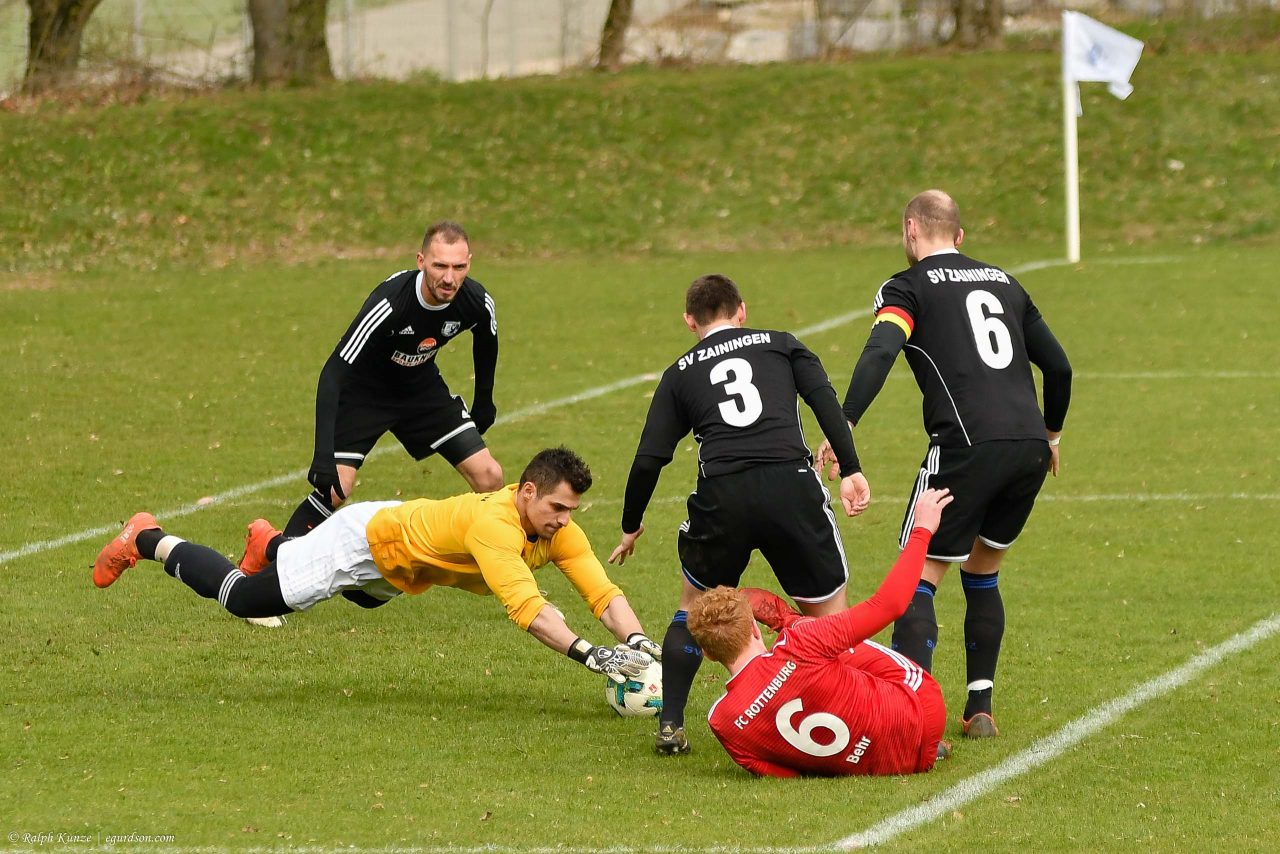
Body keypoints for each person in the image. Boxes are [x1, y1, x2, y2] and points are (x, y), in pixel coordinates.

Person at [818, 189, 1073, 738]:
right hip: (1027, 446)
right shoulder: (1006, 281)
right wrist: (1051, 435)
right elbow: (1060, 366)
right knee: (983, 571)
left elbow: (881, 352)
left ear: (911, 231)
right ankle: (979, 706)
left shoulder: (905, 287)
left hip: (964, 445)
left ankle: (916, 723)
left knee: (916, 579)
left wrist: (844, 427)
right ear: (959, 236)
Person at [92, 448, 661, 683]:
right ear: (528, 491)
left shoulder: (560, 529)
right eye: (557, 507)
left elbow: (600, 591)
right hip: (367, 540)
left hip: (406, 561)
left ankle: (272, 546)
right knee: (247, 600)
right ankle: (148, 537)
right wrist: (593, 656)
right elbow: (528, 608)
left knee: (362, 598)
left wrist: (637, 641)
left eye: (571, 510)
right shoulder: (496, 524)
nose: (565, 519)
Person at [609, 273, 871, 755]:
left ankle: (670, 723)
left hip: (723, 495)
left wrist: (631, 525)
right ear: (742, 311)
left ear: (690, 321)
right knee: (830, 615)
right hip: (790, 485)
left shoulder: (680, 372)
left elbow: (649, 458)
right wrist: (851, 468)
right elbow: (824, 402)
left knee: (692, 607)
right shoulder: (782, 345)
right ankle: (851, 718)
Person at [253, 220, 504, 575]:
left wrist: (484, 402)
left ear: (469, 264)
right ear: (421, 261)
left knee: (490, 477)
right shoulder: (391, 302)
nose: (449, 278)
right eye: (440, 266)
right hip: (366, 395)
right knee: (336, 489)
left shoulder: (476, 301)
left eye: (458, 267)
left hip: (420, 391)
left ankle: (498, 568)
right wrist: (322, 454)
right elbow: (333, 373)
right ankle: (270, 568)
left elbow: (487, 341)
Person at [685, 488, 954, 778]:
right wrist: (923, 530)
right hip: (924, 714)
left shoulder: (722, 720)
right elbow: (890, 604)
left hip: (886, 764)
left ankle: (789, 622)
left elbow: (785, 774)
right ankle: (789, 620)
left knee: (815, 654)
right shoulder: (800, 643)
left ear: (708, 653)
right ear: (754, 627)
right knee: (827, 641)